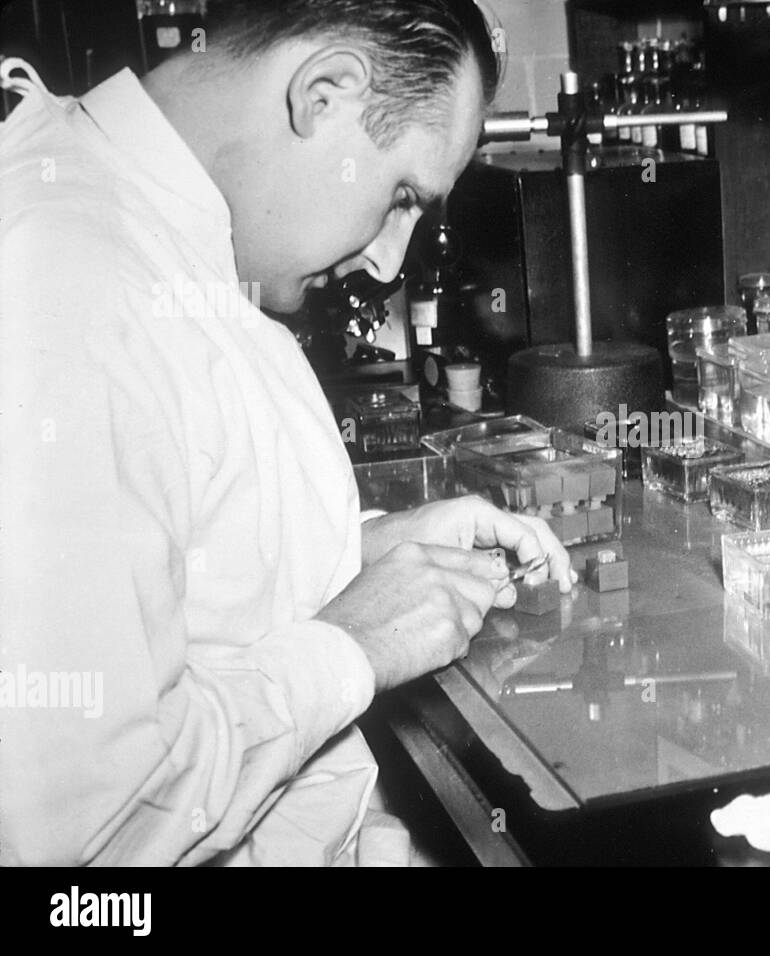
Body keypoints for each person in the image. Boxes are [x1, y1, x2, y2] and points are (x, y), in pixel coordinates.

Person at [0, 0, 574, 866]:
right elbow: (85, 837)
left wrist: (364, 554)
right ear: (325, 94)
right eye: (403, 196)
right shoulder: (74, 280)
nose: (388, 260)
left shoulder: (150, 228)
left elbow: (179, 583)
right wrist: (357, 641)